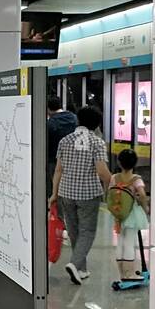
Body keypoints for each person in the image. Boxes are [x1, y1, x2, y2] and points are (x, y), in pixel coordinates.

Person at [49, 106, 112, 285]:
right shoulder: (97, 142)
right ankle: (75, 264)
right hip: (88, 194)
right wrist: (112, 186)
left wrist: (54, 194)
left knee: (74, 229)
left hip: (66, 192)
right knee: (88, 231)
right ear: (97, 124)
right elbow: (102, 171)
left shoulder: (65, 140)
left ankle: (81, 269)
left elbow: (58, 170)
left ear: (78, 120)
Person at [108, 148, 151, 282]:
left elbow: (110, 192)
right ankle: (130, 273)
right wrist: (145, 207)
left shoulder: (114, 177)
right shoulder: (136, 179)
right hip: (131, 215)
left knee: (120, 242)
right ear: (135, 164)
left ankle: (122, 272)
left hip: (119, 214)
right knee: (129, 242)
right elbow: (142, 195)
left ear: (119, 163)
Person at [46, 95, 78, 199]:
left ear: (48, 109)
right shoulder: (74, 117)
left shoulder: (50, 123)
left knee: (55, 184)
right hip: (74, 158)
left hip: (54, 159)